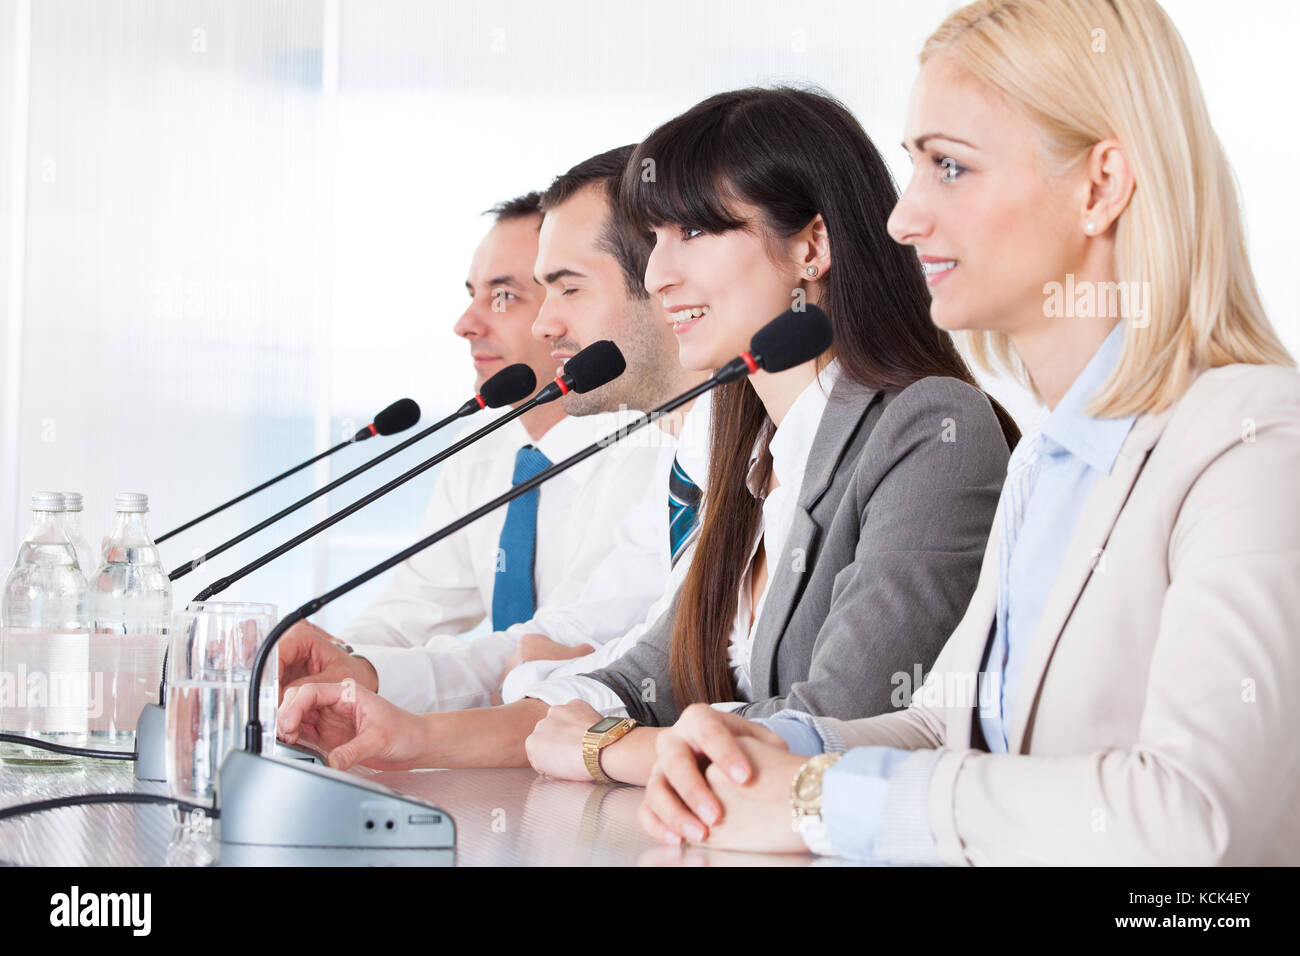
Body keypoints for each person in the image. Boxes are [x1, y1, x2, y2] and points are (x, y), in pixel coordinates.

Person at [637, 0, 1300, 866]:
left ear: (1099, 186)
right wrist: (778, 748)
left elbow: (1194, 816)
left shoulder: (1251, 439)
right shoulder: (1052, 458)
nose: (902, 220)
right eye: (915, 168)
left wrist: (820, 798)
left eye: (950, 168)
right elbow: (946, 722)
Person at [278, 88, 1015, 776]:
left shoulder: (928, 429)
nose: (659, 272)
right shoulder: (749, 452)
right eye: (656, 237)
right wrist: (414, 737)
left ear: (811, 247)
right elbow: (637, 680)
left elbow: (843, 722)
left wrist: (607, 752)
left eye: (693, 230)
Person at [274, 148, 711, 768]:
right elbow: (423, 617)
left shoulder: (655, 446)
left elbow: (586, 657)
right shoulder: (484, 451)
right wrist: (344, 678)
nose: (466, 323)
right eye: (474, 295)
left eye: (508, 296)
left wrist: (390, 683)